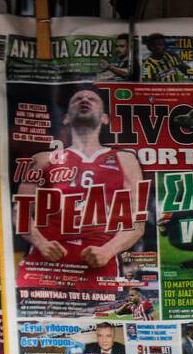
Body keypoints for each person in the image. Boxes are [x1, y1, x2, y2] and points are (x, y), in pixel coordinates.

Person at [16, 89, 145, 295]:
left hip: (98, 270)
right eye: (77, 99)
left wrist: (108, 251)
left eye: (92, 99)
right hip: (44, 270)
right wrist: (41, 243)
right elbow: (19, 213)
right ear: (66, 118)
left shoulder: (125, 160)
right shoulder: (43, 159)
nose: (84, 100)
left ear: (104, 118)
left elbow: (137, 224)